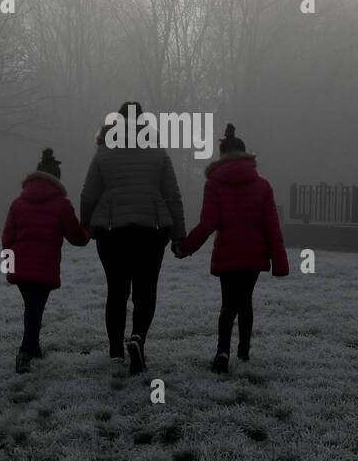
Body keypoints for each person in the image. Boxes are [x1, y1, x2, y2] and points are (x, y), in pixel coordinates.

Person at [80, 101, 186, 374]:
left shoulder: (104, 152)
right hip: (150, 231)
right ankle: (138, 337)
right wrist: (178, 235)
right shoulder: (157, 151)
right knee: (145, 291)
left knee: (116, 291)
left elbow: (88, 194)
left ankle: (116, 349)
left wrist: (86, 225)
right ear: (142, 121)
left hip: (112, 232)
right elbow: (172, 196)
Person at [176, 124, 288, 372]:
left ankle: (222, 351)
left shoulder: (214, 184)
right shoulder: (262, 186)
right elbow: (272, 227)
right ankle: (244, 350)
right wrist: (280, 262)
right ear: (246, 155)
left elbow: (208, 223)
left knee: (229, 302)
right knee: (245, 300)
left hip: (227, 253)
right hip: (254, 255)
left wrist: (185, 248)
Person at [1, 149, 91, 373]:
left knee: (32, 307)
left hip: (20, 268)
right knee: (35, 308)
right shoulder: (62, 205)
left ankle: (33, 347)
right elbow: (77, 238)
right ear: (57, 178)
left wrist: (9, 266)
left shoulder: (18, 203)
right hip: (43, 268)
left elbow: (7, 239)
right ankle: (24, 352)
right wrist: (89, 231)